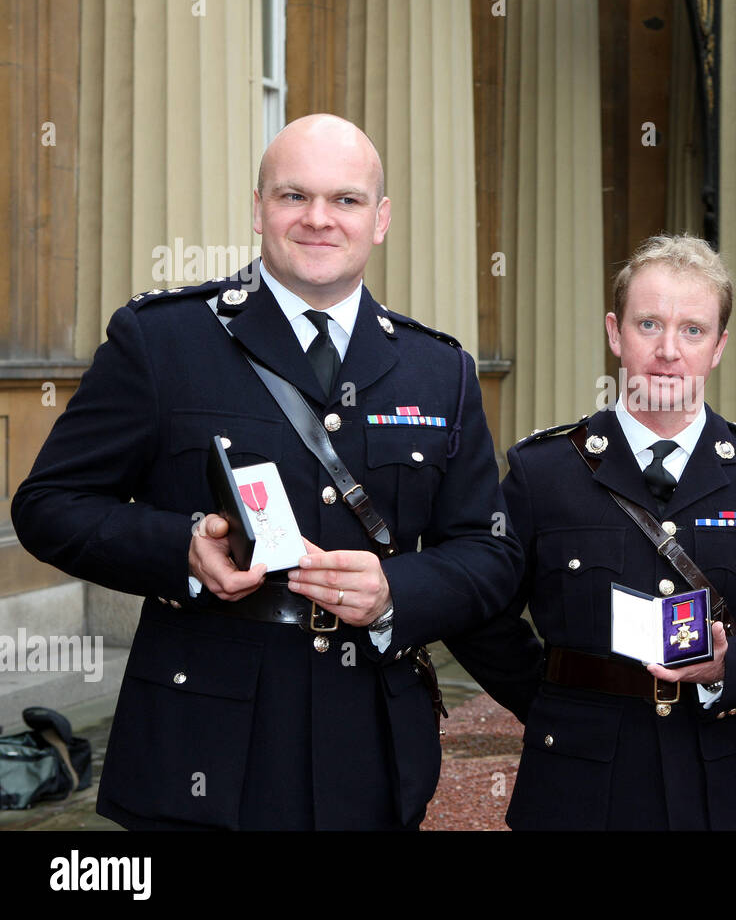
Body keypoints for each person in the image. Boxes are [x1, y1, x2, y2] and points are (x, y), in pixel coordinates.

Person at [11, 114, 522, 830]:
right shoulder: (162, 342)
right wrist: (181, 549)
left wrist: (395, 590)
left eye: (344, 200)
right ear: (258, 210)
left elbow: (488, 551)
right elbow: (47, 505)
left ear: (379, 220)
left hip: (368, 740)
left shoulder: (439, 370)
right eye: (293, 196)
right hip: (205, 740)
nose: (318, 219)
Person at [448, 234, 736, 830]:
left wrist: (728, 667)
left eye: (692, 330)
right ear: (615, 333)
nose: (668, 350)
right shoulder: (544, 472)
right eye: (648, 324)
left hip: (716, 779)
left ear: (718, 347)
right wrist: (557, 698)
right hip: (576, 784)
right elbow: (479, 607)